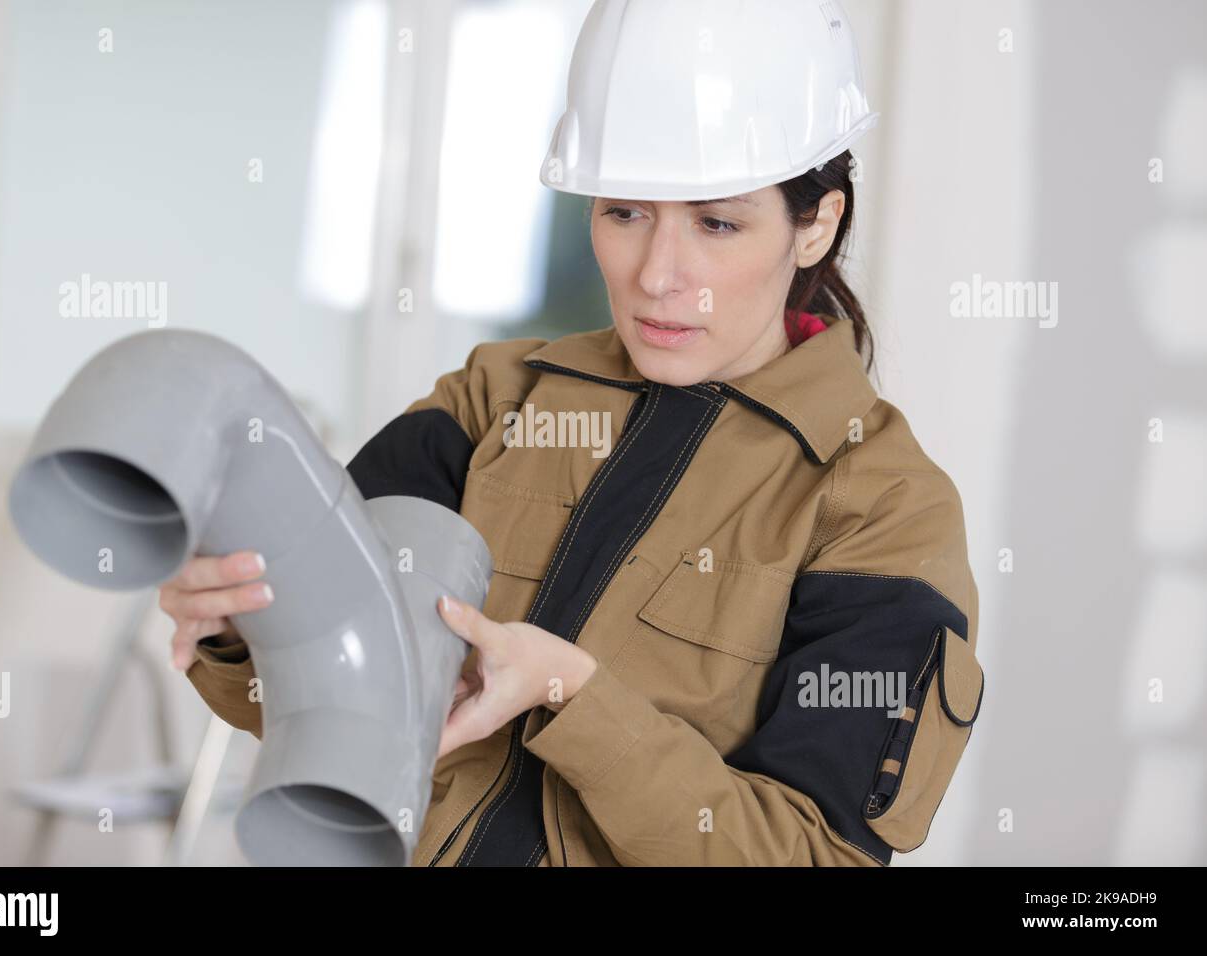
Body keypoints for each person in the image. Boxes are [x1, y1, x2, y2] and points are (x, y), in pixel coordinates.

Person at [162, 0, 984, 866]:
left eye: (716, 223)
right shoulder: (493, 402)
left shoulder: (882, 507)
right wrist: (232, 628)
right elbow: (340, 700)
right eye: (625, 212)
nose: (658, 277)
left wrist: (575, 697)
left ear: (814, 225)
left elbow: (814, 857)